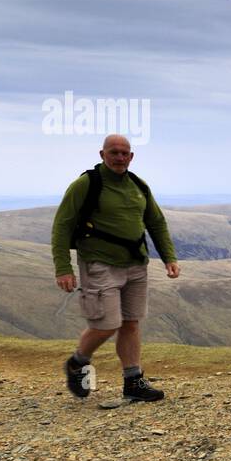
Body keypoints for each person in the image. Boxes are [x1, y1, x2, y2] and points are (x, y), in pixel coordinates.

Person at [51, 134, 179, 401]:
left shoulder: (138, 185)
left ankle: (133, 380)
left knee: (131, 323)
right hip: (99, 263)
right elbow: (62, 225)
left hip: (136, 264)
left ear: (131, 157)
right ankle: (78, 361)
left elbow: (156, 222)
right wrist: (63, 267)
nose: (120, 157)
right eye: (114, 152)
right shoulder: (86, 184)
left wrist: (169, 257)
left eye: (124, 153)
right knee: (107, 324)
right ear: (102, 154)